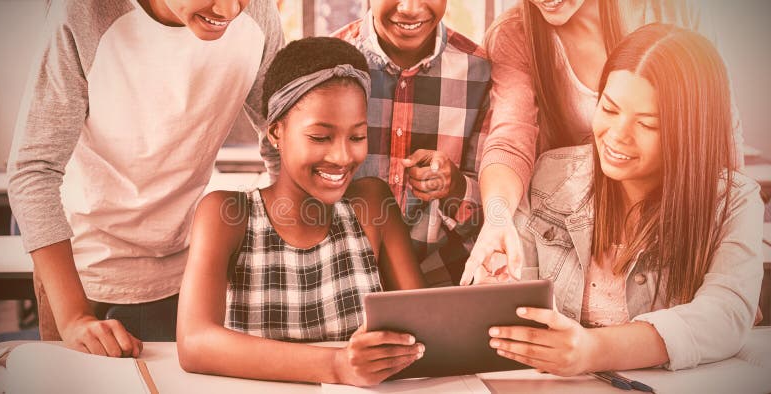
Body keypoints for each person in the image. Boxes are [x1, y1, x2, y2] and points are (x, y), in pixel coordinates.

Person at [6, 0, 283, 357]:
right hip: (79, 276)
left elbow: (283, 137)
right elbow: (33, 169)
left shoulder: (258, 16)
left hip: (184, 270)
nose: (230, 9)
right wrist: (73, 317)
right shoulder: (83, 14)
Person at [481, 24, 763, 375]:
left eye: (647, 124)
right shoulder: (550, 176)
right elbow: (509, 302)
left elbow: (726, 313)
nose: (616, 136)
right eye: (609, 109)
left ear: (690, 131)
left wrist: (593, 351)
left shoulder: (735, 203)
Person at [176, 37, 426, 387]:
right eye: (320, 137)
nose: (342, 157)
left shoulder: (371, 205)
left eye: (356, 137)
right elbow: (195, 343)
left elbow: (424, 331)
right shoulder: (227, 214)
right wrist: (337, 365)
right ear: (277, 132)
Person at [461, 0, 745, 285]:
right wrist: (498, 218)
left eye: (647, 122)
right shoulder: (515, 34)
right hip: (575, 236)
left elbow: (718, 135)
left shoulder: (672, 9)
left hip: (673, 227)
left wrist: (736, 256)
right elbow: (510, 139)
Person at [321, 0, 491, 286]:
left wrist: (455, 187)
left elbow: (491, 218)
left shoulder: (480, 72)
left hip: (444, 282)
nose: (411, 8)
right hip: (337, 280)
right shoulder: (323, 65)